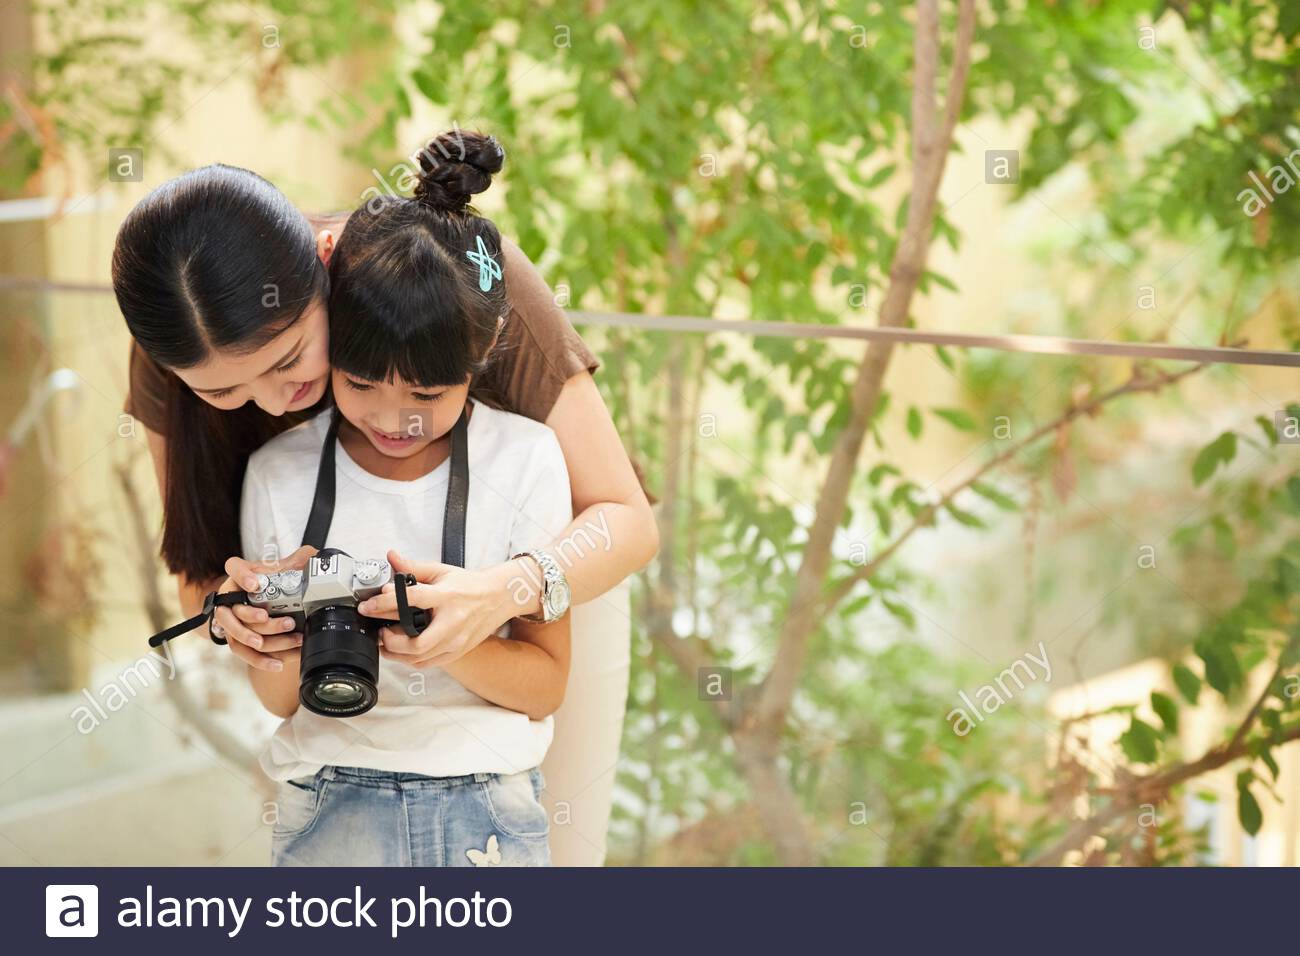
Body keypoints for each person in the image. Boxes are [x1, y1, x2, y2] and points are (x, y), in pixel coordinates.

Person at [111, 131, 656, 865]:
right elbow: (203, 569)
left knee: (568, 846)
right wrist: (236, 625)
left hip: (547, 569)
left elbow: (622, 520)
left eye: (288, 360)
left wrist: (502, 593)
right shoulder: (180, 347)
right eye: (221, 392)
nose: (270, 404)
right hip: (342, 721)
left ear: (327, 266)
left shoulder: (453, 273)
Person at [242, 140, 568, 864]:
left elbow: (546, 683)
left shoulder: (525, 460)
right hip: (326, 800)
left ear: (478, 363)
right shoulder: (277, 474)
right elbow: (280, 702)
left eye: (428, 394)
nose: (395, 420)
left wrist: (450, 644)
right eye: (359, 385)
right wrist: (261, 635)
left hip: (488, 805)